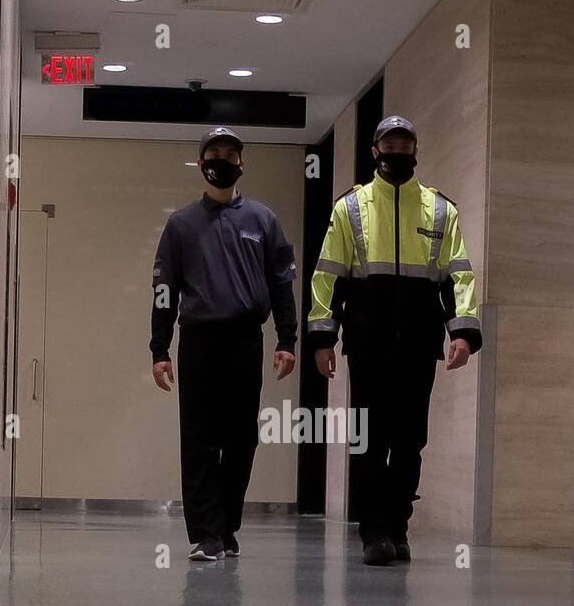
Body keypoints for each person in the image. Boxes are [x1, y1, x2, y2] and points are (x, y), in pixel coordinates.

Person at [307, 115, 481, 565]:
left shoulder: (441, 210)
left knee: (409, 441)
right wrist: (323, 337)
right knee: (369, 440)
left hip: (420, 346)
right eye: (390, 144)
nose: (398, 151)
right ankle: (373, 531)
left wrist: (462, 331)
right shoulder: (349, 208)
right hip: (366, 345)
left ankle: (399, 526)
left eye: (405, 144)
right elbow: (327, 276)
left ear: (415, 150)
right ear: (374, 151)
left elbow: (459, 275)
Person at [150, 127, 297, 561]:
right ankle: (206, 534)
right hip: (197, 341)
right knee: (198, 439)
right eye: (213, 153)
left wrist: (286, 339)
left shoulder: (263, 220)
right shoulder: (180, 225)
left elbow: (282, 283)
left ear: (240, 164)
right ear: (200, 163)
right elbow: (163, 290)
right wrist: (159, 348)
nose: (221, 160)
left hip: (245, 341)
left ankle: (227, 525)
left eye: (230, 154)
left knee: (240, 438)